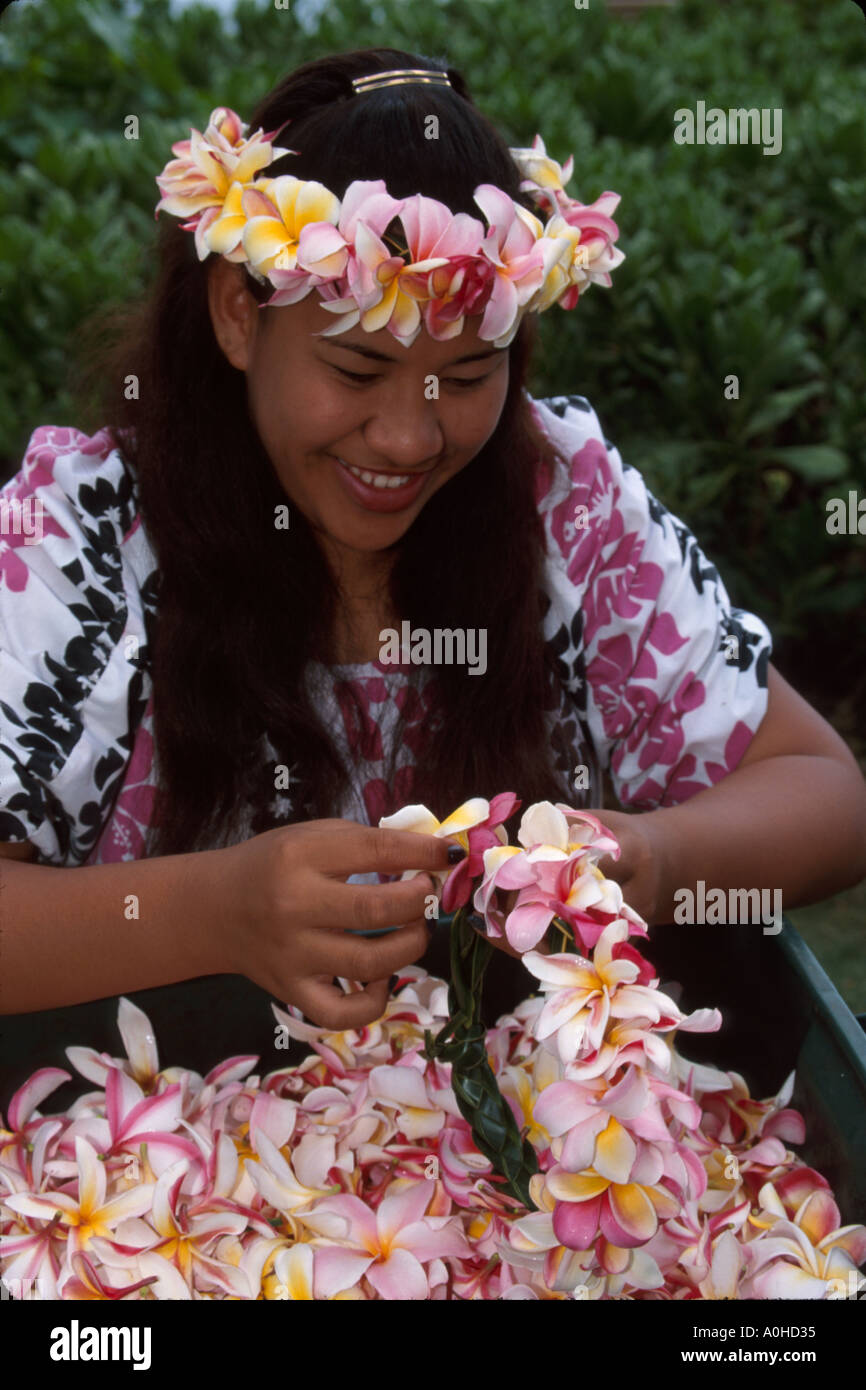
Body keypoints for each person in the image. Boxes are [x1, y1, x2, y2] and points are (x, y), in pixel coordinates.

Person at [1, 48, 865, 1036]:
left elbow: (827, 797)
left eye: (465, 378)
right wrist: (215, 914)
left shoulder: (565, 505)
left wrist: (650, 858)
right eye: (357, 370)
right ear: (239, 315)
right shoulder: (83, 533)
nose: (410, 439)